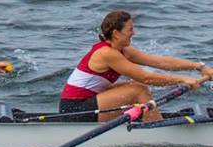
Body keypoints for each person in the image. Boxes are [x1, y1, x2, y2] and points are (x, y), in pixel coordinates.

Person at [59, 10, 211, 122]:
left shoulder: (124, 50)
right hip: (74, 109)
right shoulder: (106, 53)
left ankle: (147, 118)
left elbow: (161, 62)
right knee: (139, 89)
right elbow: (146, 77)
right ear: (116, 33)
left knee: (135, 85)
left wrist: (199, 67)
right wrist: (183, 80)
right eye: (130, 29)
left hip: (91, 101)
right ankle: (156, 128)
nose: (134, 33)